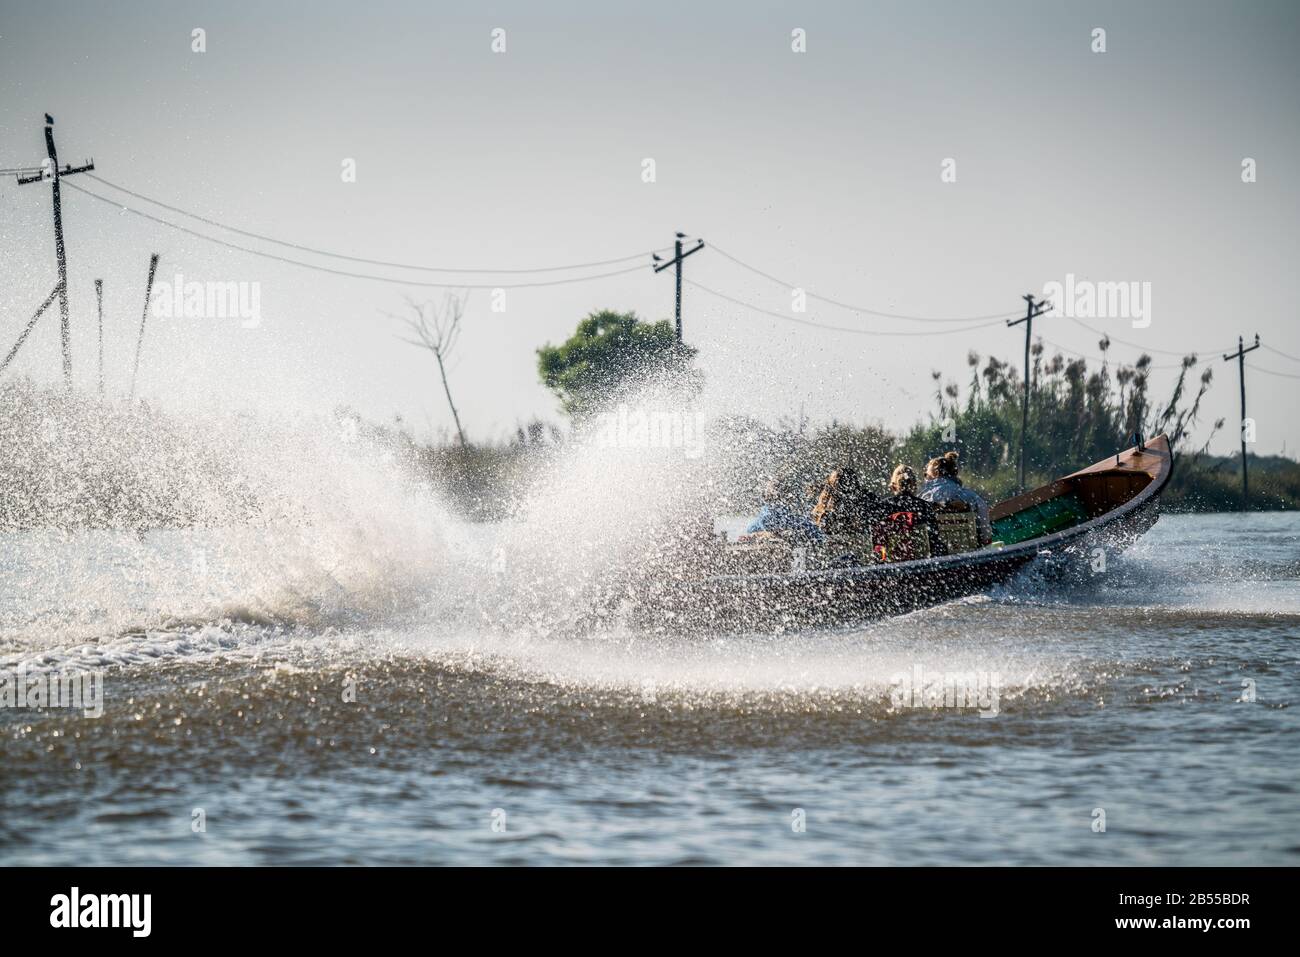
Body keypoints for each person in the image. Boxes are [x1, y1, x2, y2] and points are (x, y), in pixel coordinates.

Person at [920, 451, 992, 545]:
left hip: (935, 554)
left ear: (936, 473)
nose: (925, 479)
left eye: (926, 475)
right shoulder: (971, 497)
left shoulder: (923, 499)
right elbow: (986, 534)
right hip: (968, 552)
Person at [874, 464, 943, 560]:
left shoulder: (882, 507)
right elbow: (934, 540)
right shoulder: (924, 506)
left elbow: (877, 541)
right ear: (914, 485)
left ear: (893, 486)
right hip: (922, 562)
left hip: (890, 562)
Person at [744, 476, 823, 541]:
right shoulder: (773, 512)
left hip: (797, 532)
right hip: (805, 533)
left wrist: (759, 535)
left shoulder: (773, 513)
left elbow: (771, 528)